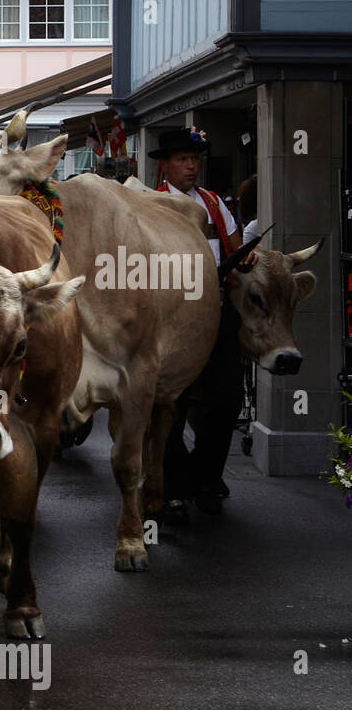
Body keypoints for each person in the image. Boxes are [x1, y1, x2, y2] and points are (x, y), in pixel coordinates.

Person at [153, 126, 254, 517]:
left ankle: (206, 477)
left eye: (195, 159)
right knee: (169, 405)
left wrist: (246, 257)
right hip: (170, 314)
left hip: (216, 308)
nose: (191, 166)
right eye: (183, 159)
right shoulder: (150, 202)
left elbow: (233, 244)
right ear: (165, 165)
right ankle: (174, 486)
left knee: (227, 400)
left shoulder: (213, 202)